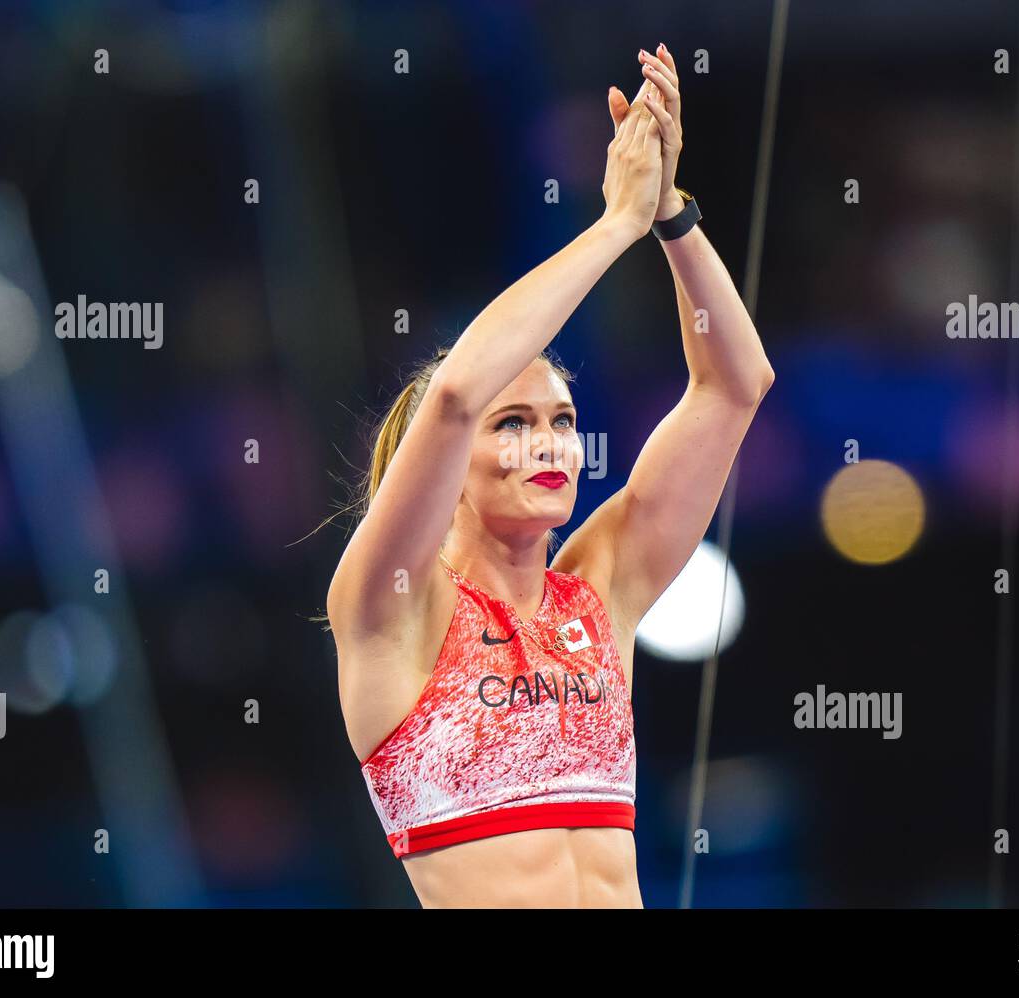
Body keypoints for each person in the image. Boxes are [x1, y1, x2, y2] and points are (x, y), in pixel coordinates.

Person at [325, 44, 775, 907]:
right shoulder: (391, 608)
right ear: (450, 461)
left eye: (563, 423)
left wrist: (670, 214)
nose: (551, 445)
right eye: (516, 423)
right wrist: (613, 225)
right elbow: (457, 392)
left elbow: (734, 386)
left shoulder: (599, 594)